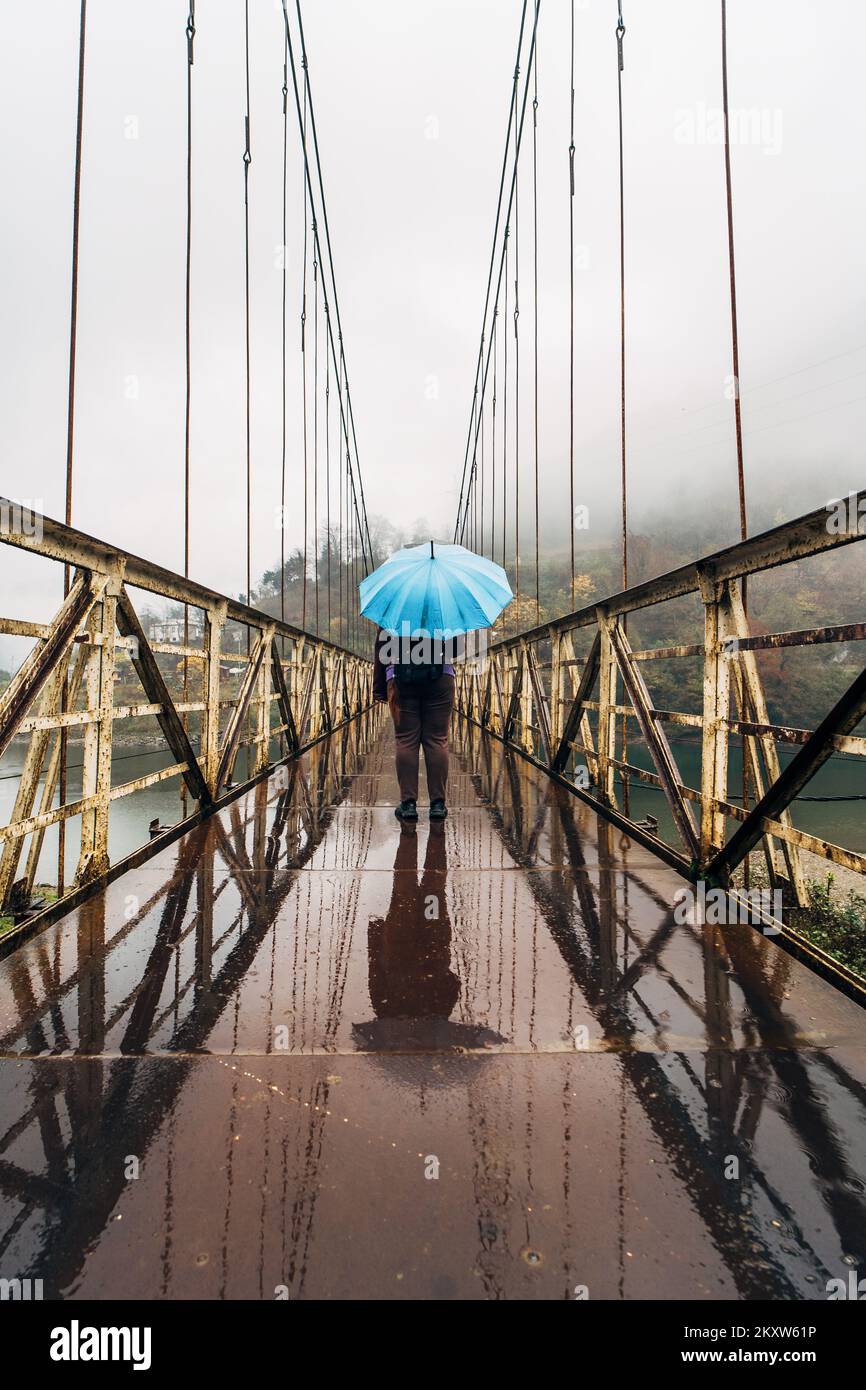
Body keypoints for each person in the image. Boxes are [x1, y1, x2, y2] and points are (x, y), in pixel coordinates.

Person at [372, 626, 455, 821]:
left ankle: (408, 805)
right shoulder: (444, 605)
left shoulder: (393, 605)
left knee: (405, 740)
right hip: (440, 676)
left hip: (400, 677)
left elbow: (381, 649)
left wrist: (379, 688)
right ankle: (438, 805)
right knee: (437, 739)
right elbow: (455, 648)